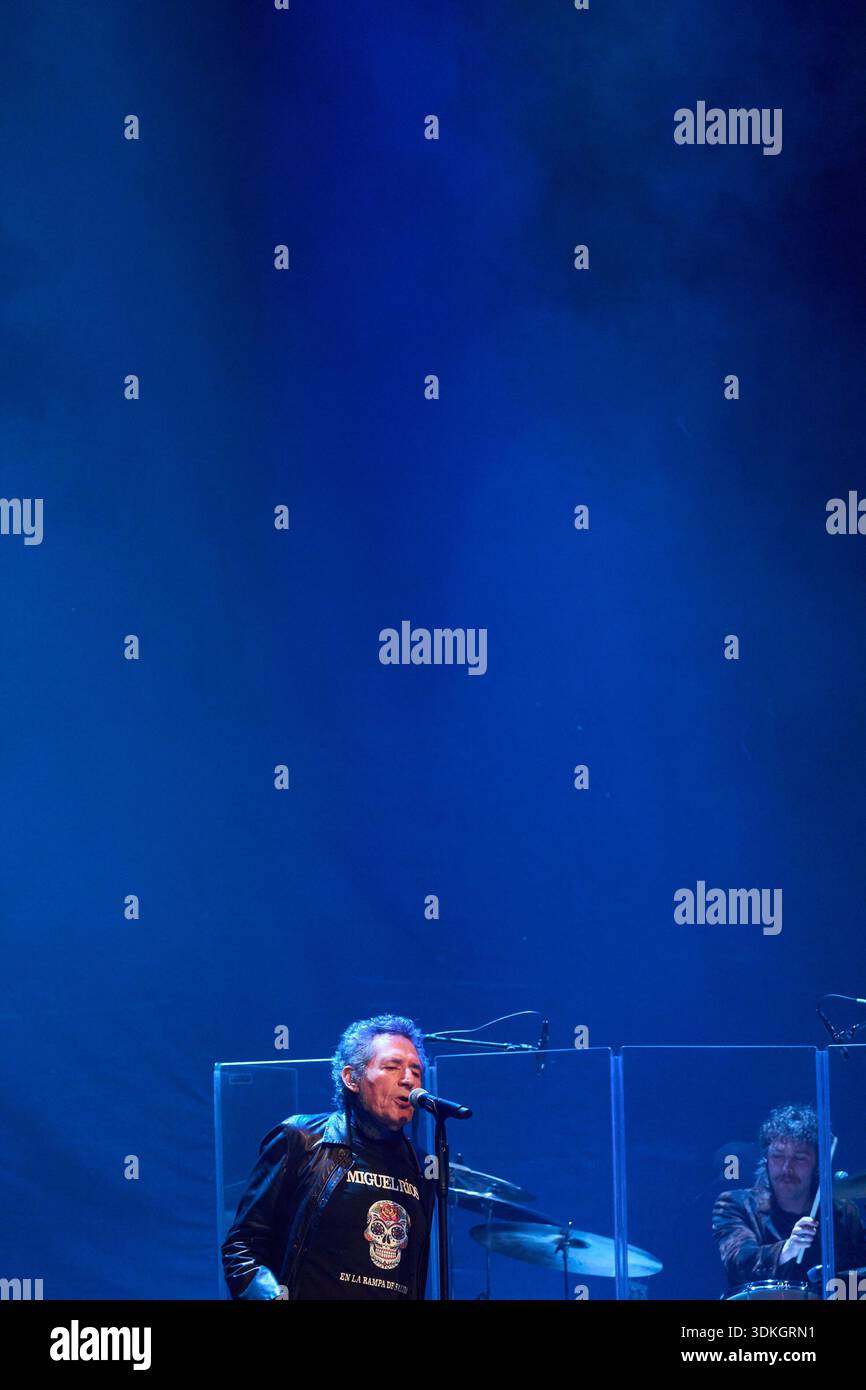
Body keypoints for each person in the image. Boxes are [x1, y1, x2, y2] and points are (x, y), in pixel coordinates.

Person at [222, 1014, 436, 1300]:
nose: (409, 1080)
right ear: (352, 1078)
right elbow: (242, 1246)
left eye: (416, 1071)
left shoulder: (420, 1166)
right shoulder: (301, 1139)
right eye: (392, 1067)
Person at [712, 1102, 866, 1290]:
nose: (787, 1168)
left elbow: (859, 1277)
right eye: (777, 1156)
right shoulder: (735, 1205)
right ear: (766, 1159)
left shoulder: (842, 1212)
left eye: (799, 1158)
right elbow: (739, 1264)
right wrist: (788, 1249)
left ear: (817, 1164)